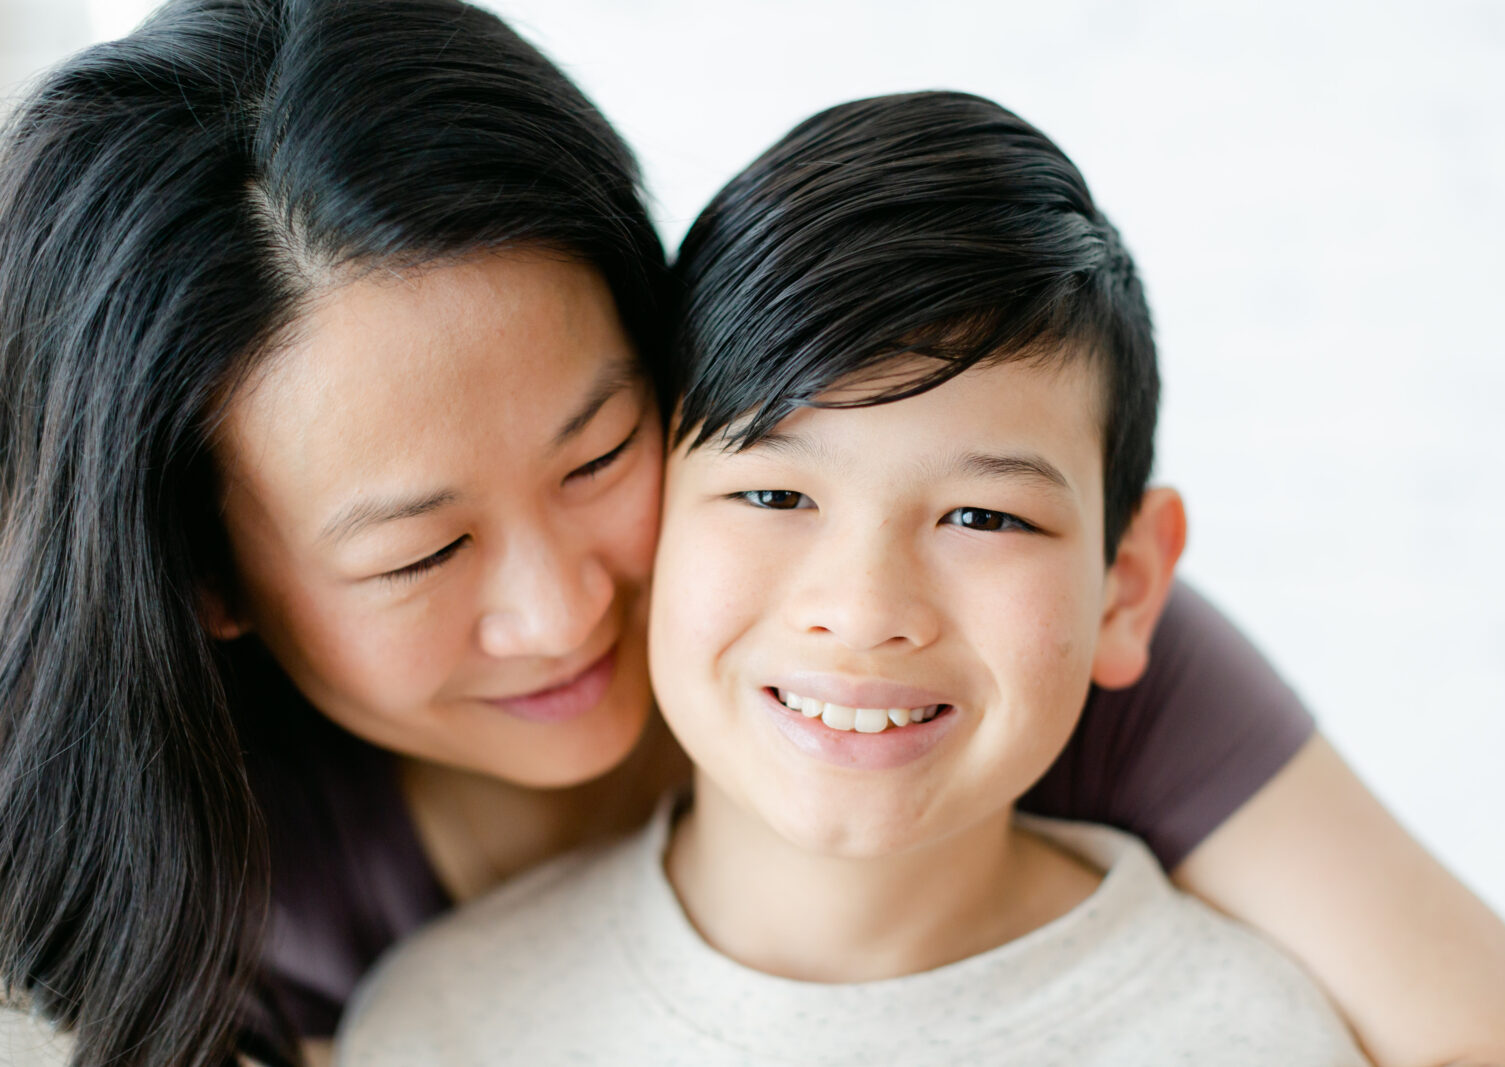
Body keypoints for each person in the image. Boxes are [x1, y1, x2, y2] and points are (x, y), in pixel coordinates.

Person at [0, 1, 1505, 1065]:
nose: (563, 607)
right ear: (205, 577)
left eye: (604, 450)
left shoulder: (1013, 642)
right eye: (418, 554)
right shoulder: (228, 907)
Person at [335, 89, 1370, 1065]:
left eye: (983, 516)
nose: (864, 611)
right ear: (654, 511)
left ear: (1127, 584)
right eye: (776, 498)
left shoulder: (1248, 1032)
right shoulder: (445, 1022)